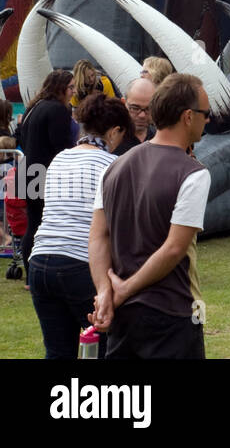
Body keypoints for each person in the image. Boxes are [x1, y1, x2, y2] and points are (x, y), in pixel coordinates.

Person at [88, 73, 212, 359]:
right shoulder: (194, 173)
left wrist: (106, 293)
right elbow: (174, 248)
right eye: (206, 114)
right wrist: (118, 291)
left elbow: (97, 236)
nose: (208, 121)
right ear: (188, 116)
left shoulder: (114, 167)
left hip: (124, 317)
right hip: (173, 314)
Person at [27, 94, 127, 358]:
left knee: (58, 351)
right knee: (105, 347)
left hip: (40, 261)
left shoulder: (60, 159)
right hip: (80, 263)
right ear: (115, 131)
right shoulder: (113, 165)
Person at [18, 69, 75, 281]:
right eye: (70, 87)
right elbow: (60, 144)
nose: (73, 92)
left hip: (28, 171)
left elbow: (21, 138)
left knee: (33, 224)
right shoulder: (57, 110)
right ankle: (37, 272)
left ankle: (30, 272)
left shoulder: (34, 107)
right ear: (60, 87)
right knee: (43, 224)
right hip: (44, 174)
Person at [117, 77, 156, 155]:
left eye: (148, 109)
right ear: (123, 103)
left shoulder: (159, 139)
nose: (142, 115)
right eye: (135, 108)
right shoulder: (111, 141)